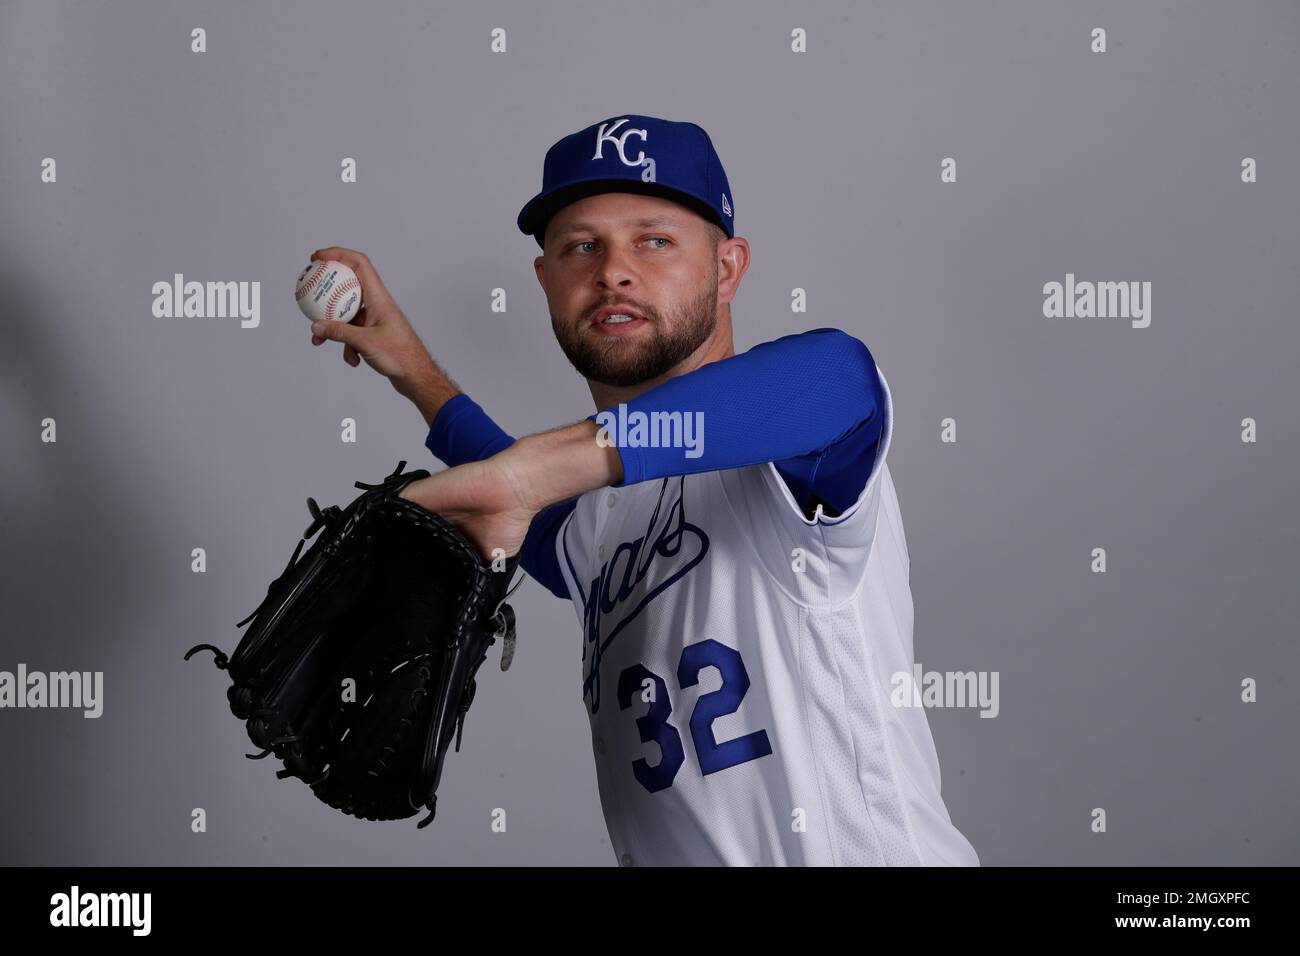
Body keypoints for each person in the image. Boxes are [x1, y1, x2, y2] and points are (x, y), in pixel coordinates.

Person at [307, 114, 979, 867]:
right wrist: (415, 375)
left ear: (727, 269)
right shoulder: (600, 515)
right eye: (580, 246)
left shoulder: (794, 450)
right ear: (545, 282)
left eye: (653, 239)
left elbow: (839, 379)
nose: (613, 271)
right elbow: (547, 524)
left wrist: (531, 472)